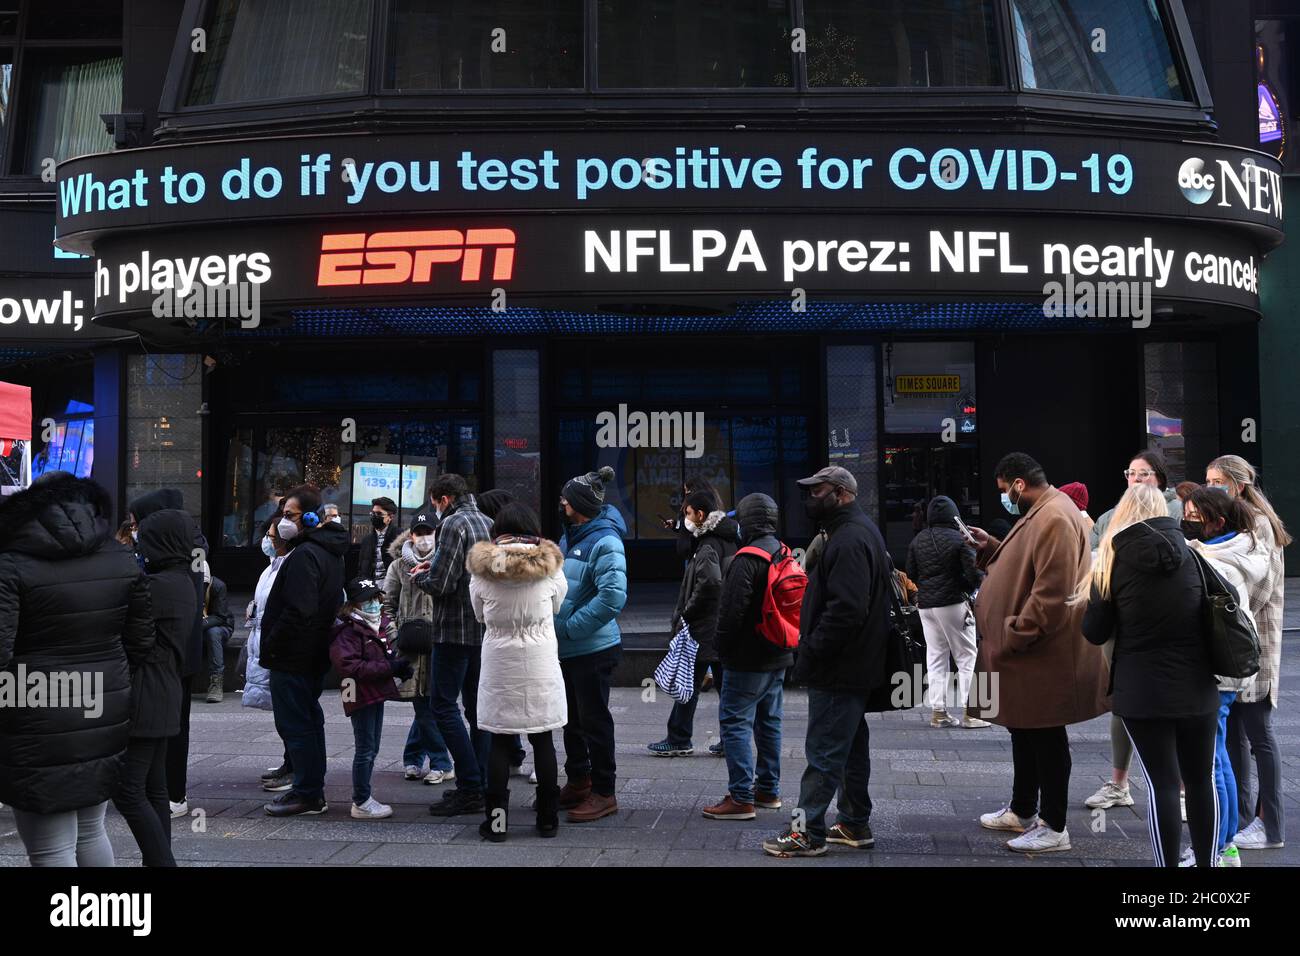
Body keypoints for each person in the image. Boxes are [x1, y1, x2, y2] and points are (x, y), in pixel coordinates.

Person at [0, 473, 152, 867]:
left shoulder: (11, 564)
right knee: (91, 830)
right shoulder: (120, 558)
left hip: (33, 716)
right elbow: (140, 642)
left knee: (50, 847)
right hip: (104, 706)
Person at [970, 452, 1108, 854]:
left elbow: (1053, 589)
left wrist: (1016, 633)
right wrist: (991, 547)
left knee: (1045, 736)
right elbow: (1025, 563)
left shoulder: (1054, 516)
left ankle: (1054, 824)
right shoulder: (1043, 511)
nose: (1003, 499)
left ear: (1018, 484)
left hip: (1040, 652)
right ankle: (1023, 808)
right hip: (1029, 652)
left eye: (1003, 491)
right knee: (1024, 728)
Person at [1080, 485, 1219, 867]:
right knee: (1201, 781)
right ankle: (1208, 865)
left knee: (1163, 786)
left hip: (1143, 691)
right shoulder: (1194, 555)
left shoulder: (1111, 561)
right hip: (1198, 686)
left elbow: (1093, 631)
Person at [763, 466, 892, 858]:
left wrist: (812, 647)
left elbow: (847, 609)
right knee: (850, 746)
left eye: (816, 493)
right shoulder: (854, 530)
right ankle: (854, 823)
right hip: (854, 665)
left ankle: (807, 832)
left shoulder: (850, 538)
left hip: (839, 667)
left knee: (822, 753)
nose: (809, 500)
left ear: (841, 493)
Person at [1083, 451, 1183, 814]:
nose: (1137, 480)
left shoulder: (1174, 512)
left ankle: (1181, 790)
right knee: (1122, 703)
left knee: (1171, 702)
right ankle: (1119, 783)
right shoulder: (1111, 516)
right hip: (1121, 622)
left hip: (1160, 624)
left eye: (1144, 474)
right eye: (1132, 473)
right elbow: (1094, 558)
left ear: (1160, 477)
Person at [467, 502, 570, 840]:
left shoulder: (482, 568)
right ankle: (547, 820)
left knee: (498, 739)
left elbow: (480, 615)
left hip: (499, 661)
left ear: (498, 530)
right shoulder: (550, 565)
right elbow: (557, 605)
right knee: (543, 738)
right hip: (540, 659)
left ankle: (496, 824)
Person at [1206, 455, 1289, 851]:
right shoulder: (1241, 519)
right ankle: (1239, 816)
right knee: (1237, 733)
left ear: (1238, 484)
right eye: (1208, 480)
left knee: (1258, 733)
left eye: (1218, 480)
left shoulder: (1258, 524)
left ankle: (1270, 824)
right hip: (1239, 643)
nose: (1211, 486)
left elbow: (1258, 589)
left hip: (1256, 641)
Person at [1184, 486, 1269, 867]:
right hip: (1229, 670)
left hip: (1216, 672)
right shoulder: (1237, 551)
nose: (1187, 521)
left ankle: (1217, 846)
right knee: (1217, 759)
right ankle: (1227, 843)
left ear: (1216, 522)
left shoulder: (1217, 561)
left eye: (1193, 516)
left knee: (1209, 764)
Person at [110, 508, 200, 867]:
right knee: (154, 786)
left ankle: (162, 863)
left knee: (128, 790)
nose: (137, 541)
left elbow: (132, 638)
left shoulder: (157, 586)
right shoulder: (181, 581)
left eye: (143, 535)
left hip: (146, 692)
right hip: (165, 690)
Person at [259, 484, 349, 817]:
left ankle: (308, 793)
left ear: (309, 518)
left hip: (294, 656)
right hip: (310, 654)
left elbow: (299, 610)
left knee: (297, 726)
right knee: (308, 723)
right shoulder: (326, 551)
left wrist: (272, 644)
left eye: (289, 515)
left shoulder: (306, 556)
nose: (283, 522)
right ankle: (309, 789)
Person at [705, 493, 794, 821]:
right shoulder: (782, 551)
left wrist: (720, 650)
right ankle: (767, 790)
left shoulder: (747, 559)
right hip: (779, 652)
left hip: (748, 658)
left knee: (735, 721)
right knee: (769, 720)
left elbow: (730, 614)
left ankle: (741, 796)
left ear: (747, 522)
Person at [413, 474, 495, 817]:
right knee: (478, 710)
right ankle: (484, 782)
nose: (435, 508)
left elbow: (443, 584)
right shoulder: (488, 521)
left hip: (453, 629)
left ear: (443, 499)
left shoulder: (452, 524)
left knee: (442, 705)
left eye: (435, 502)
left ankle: (470, 785)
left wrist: (420, 576)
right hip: (483, 627)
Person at [555, 466, 628, 823]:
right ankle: (579, 779)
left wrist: (570, 627)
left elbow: (613, 597)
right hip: (570, 650)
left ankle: (604, 792)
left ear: (580, 504)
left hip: (592, 648)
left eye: (566, 500)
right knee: (571, 720)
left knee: (594, 721)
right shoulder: (574, 534)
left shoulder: (604, 540)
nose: (561, 504)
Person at [127, 487, 206, 820]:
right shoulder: (186, 553)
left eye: (137, 524)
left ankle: (173, 792)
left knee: (171, 729)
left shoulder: (178, 564)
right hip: (177, 654)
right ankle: (165, 792)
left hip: (170, 656)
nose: (134, 532)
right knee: (169, 727)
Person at [649, 489, 739, 757]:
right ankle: (730, 739)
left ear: (700, 515)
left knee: (688, 683)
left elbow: (710, 582)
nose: (685, 518)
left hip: (704, 627)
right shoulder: (729, 539)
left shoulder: (709, 543)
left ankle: (679, 738)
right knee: (724, 686)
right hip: (720, 624)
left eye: (687, 513)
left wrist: (688, 612)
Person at [330, 577, 412, 820]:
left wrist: (393, 666)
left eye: (376, 599)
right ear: (353, 606)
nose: (374, 606)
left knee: (371, 747)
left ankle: (364, 798)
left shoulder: (375, 625)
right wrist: (390, 668)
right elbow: (351, 668)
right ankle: (362, 800)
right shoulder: (347, 631)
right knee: (365, 748)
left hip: (373, 692)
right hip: (360, 694)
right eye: (367, 602)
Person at [382, 511, 455, 785]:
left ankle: (414, 757)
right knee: (422, 703)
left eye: (429, 531)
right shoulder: (398, 566)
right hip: (410, 645)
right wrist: (393, 636)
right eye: (419, 532)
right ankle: (440, 761)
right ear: (411, 535)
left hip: (441, 641)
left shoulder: (446, 562)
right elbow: (386, 604)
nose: (424, 538)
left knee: (427, 703)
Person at [905, 495, 989, 729]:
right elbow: (974, 575)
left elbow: (911, 571)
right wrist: (964, 588)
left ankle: (939, 712)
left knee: (935, 657)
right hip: (953, 604)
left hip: (926, 606)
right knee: (967, 656)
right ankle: (972, 713)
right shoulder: (960, 540)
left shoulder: (918, 540)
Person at [243, 510, 294, 793]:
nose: (267, 540)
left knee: (289, 712)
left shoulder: (288, 565)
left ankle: (295, 766)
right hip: (262, 642)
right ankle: (290, 762)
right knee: (280, 712)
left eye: (271, 536)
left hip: (277, 646)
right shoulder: (270, 566)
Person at [202, 564, 234, 703]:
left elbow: (220, 616)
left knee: (213, 632)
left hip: (221, 627)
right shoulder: (186, 585)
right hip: (198, 627)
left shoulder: (218, 586)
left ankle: (216, 681)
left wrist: (199, 624)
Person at [358, 496, 399, 582]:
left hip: (392, 589)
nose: (374, 516)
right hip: (371, 590)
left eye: (379, 514)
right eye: (373, 513)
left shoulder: (399, 538)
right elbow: (361, 570)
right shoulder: (367, 540)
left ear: (390, 517)